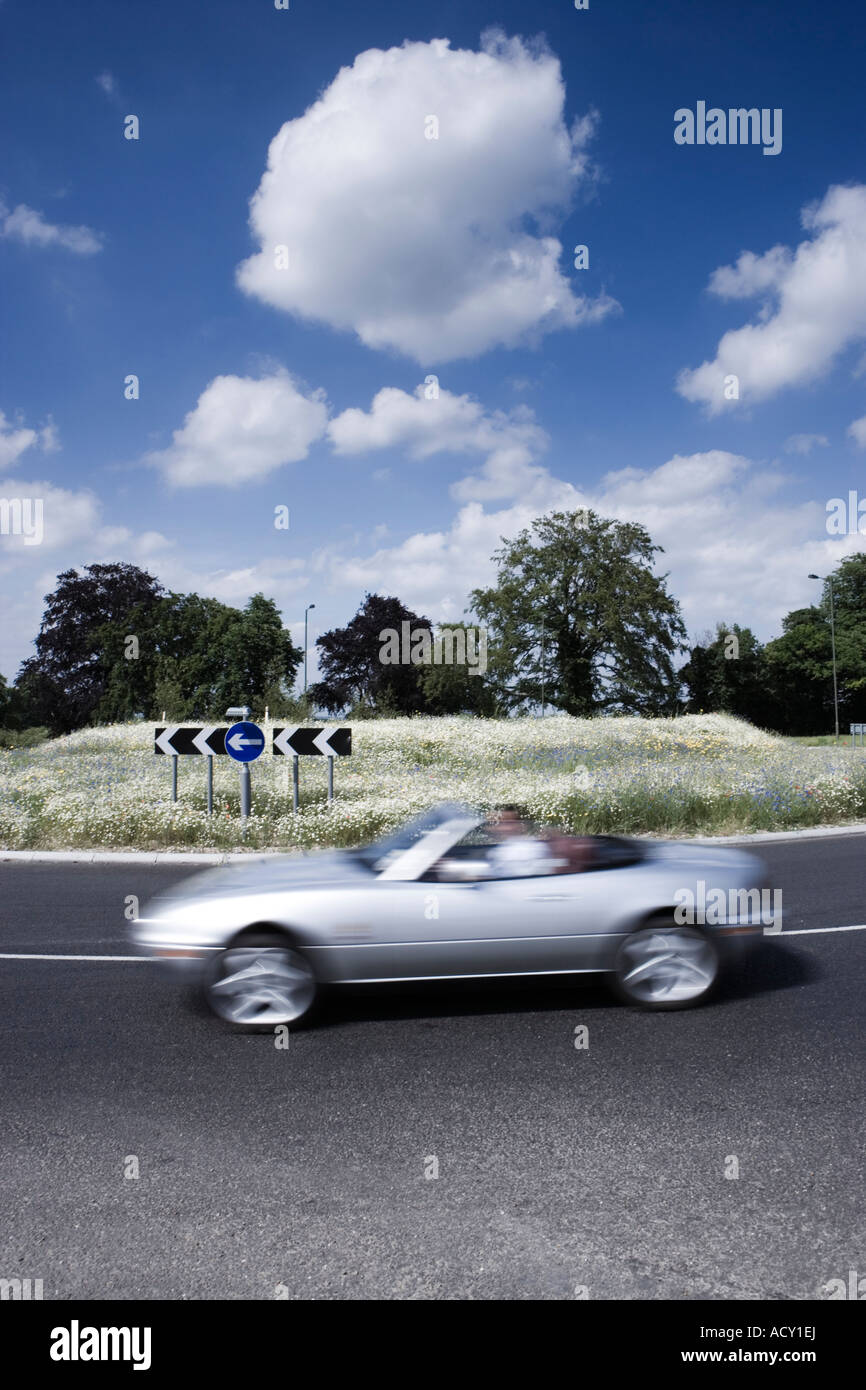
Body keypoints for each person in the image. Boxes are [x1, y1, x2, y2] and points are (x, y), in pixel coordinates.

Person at [485, 805, 555, 877]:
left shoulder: (532, 848)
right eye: (498, 823)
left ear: (522, 825)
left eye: (507, 823)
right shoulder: (500, 848)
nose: (502, 828)